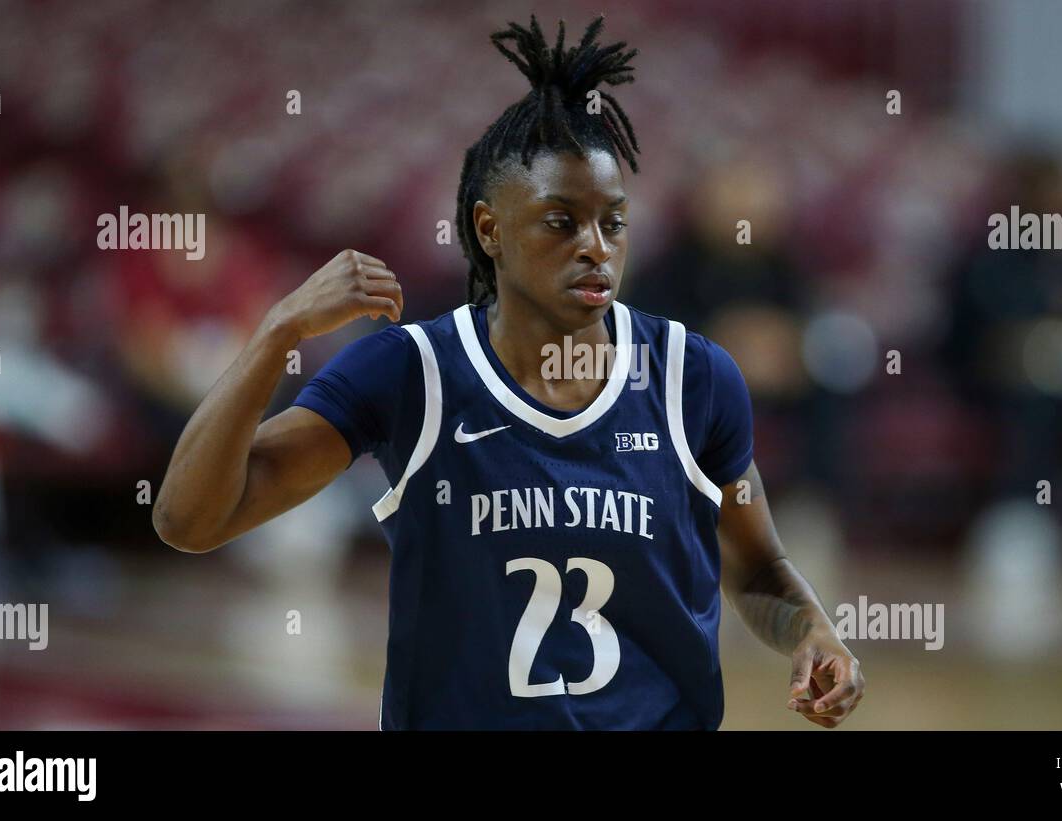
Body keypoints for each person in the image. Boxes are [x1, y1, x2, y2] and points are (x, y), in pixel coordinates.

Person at [153, 14, 863, 730]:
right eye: (562, 221)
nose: (595, 247)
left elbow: (761, 570)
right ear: (490, 229)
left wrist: (812, 631)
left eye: (612, 222)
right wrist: (276, 332)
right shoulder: (413, 371)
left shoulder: (693, 376)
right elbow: (189, 517)